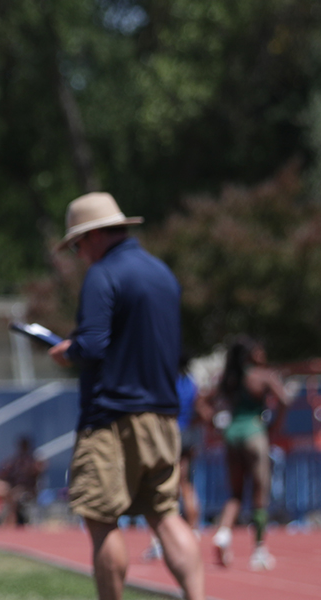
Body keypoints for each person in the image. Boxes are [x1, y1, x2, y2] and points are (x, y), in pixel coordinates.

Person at [47, 192, 204, 600]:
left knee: (101, 520)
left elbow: (94, 346)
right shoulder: (161, 273)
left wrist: (70, 351)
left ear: (94, 235)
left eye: (78, 244)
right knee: (166, 515)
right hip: (164, 416)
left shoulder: (103, 275)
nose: (80, 254)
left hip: (112, 417)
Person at [201, 337, 287, 571]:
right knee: (260, 493)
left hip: (231, 435)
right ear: (252, 355)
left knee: (235, 494)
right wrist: (274, 426)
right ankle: (259, 550)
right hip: (254, 434)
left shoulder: (229, 378)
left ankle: (223, 534)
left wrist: (214, 422)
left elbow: (203, 401)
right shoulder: (263, 376)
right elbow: (284, 399)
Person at [144, 351, 203, 562]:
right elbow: (200, 409)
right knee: (185, 484)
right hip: (188, 434)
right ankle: (194, 530)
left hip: (170, 434)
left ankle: (159, 540)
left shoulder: (168, 381)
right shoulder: (191, 382)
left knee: (163, 485)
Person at [0, 436, 46, 528]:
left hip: (27, 490)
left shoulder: (32, 461)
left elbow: (38, 473)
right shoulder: (14, 461)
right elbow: (2, 473)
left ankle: (10, 523)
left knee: (15, 495)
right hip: (12, 489)